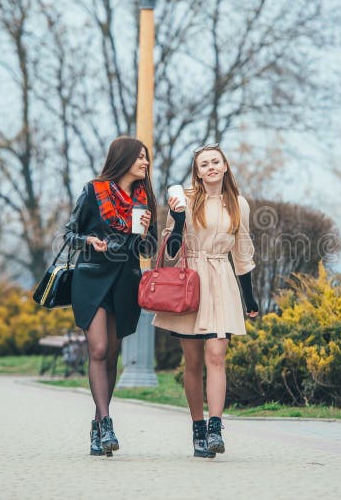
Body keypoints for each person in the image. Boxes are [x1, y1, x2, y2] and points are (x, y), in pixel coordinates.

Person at [153, 143, 259, 458]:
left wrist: (249, 298)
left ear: (225, 166)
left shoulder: (239, 204)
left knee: (217, 354)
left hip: (222, 281)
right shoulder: (184, 199)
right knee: (194, 361)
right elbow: (172, 251)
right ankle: (198, 427)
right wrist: (177, 218)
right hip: (191, 282)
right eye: (204, 164)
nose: (211, 167)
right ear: (197, 172)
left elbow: (243, 253)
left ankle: (215, 427)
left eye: (215, 162)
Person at [64, 136, 158, 457]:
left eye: (146, 157)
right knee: (99, 349)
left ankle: (97, 429)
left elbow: (148, 249)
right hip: (91, 278)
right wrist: (90, 240)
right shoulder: (93, 190)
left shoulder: (145, 199)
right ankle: (107, 423)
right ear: (124, 158)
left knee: (112, 354)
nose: (145, 163)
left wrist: (144, 233)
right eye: (140, 157)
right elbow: (68, 234)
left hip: (125, 281)